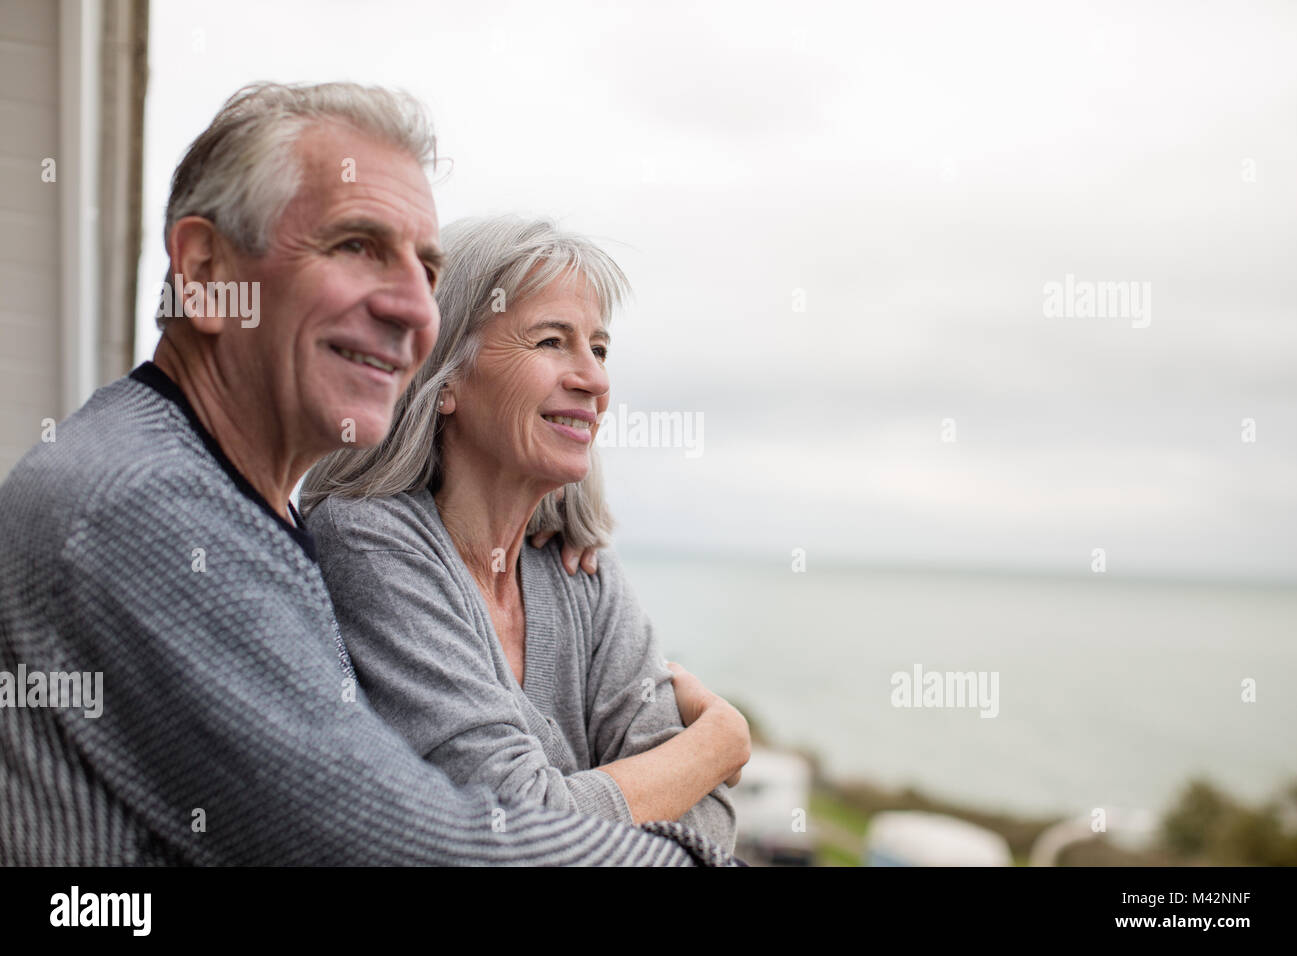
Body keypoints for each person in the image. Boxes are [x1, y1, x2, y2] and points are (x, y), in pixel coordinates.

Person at [0, 81, 735, 866]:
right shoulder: (144, 509)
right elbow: (424, 848)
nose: (414, 309)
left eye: (424, 268)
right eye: (356, 246)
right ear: (208, 272)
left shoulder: (233, 503)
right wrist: (713, 768)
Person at [300, 216, 748, 852]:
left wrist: (595, 818)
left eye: (598, 348)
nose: (593, 379)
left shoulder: (581, 569)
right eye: (550, 342)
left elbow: (713, 827)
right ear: (443, 376)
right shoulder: (368, 543)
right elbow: (514, 830)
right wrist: (716, 745)